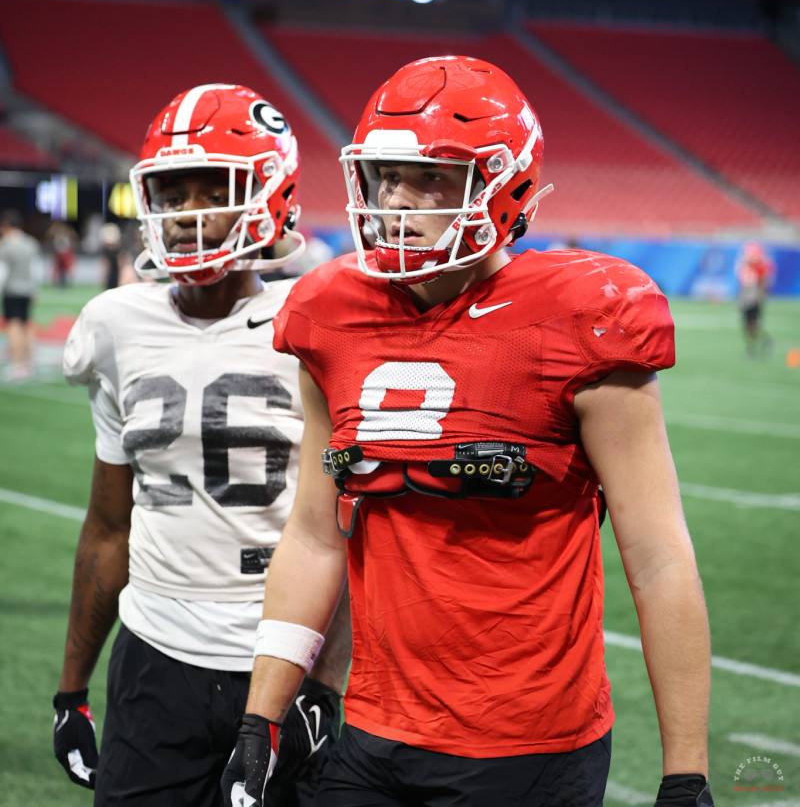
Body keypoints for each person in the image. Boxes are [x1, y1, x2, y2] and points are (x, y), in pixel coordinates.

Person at [222, 55, 715, 807]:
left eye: (431, 179)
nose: (397, 199)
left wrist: (686, 770)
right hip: (375, 728)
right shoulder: (330, 313)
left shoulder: (583, 317)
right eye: (388, 176)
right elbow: (317, 534)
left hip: (528, 746)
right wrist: (262, 717)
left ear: (504, 187)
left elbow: (657, 558)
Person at [53, 83, 351, 807]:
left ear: (270, 192)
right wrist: (71, 690)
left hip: (284, 652)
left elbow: (355, 529)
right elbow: (108, 525)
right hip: (155, 653)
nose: (189, 215)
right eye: (173, 193)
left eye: (214, 189)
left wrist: (328, 683)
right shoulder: (115, 324)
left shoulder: (323, 315)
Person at [0, 208, 41, 381]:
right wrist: (34, 289)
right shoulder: (31, 243)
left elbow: (3, 271)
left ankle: (18, 365)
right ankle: (28, 362)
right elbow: (37, 270)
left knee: (14, 326)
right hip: (27, 290)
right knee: (26, 325)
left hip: (12, 290)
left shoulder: (7, 244)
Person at [734, 240, 775, 358]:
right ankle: (752, 346)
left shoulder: (761, 267)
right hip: (746, 297)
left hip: (754, 297)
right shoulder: (744, 266)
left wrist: (760, 295)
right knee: (746, 324)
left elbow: (763, 283)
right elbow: (743, 283)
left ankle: (761, 343)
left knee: (753, 323)